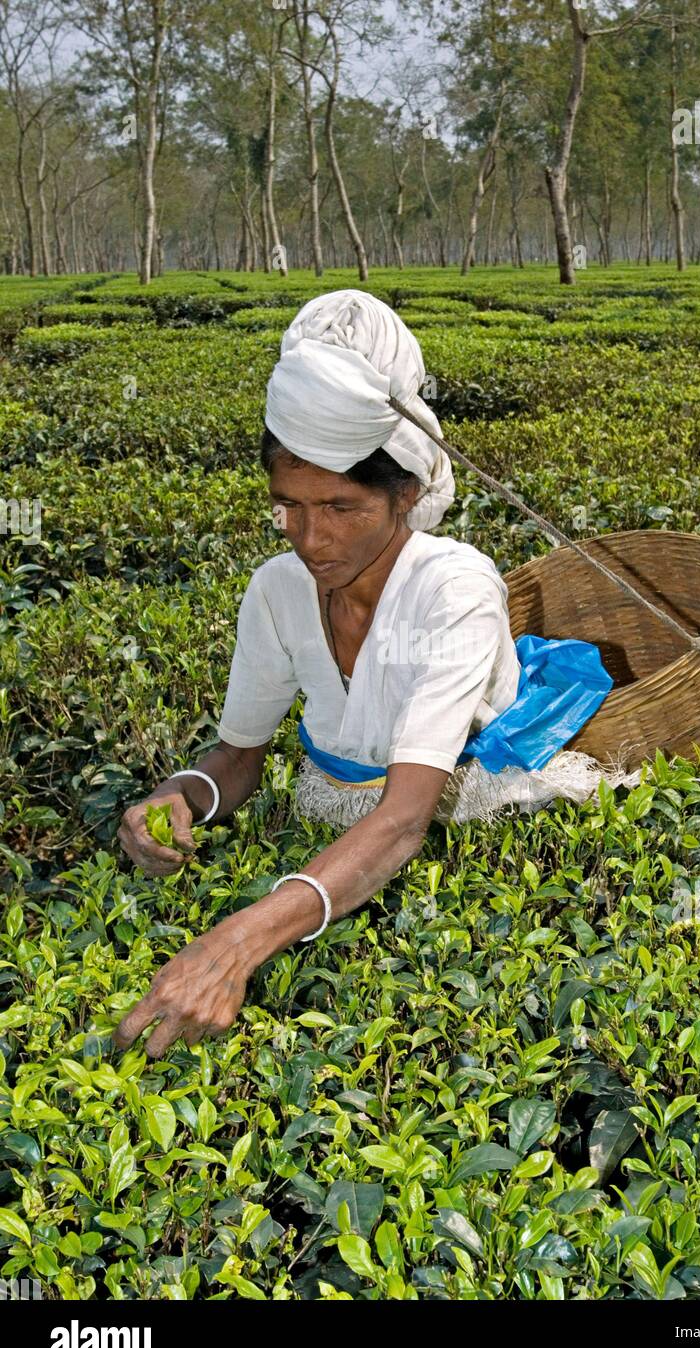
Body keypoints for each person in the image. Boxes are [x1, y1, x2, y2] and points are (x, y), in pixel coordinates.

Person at [113, 289, 640, 1060]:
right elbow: (237, 759)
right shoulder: (277, 590)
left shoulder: (454, 588)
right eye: (289, 506)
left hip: (464, 820)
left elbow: (401, 819)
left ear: (407, 498)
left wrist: (234, 944)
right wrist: (175, 798)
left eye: (340, 507)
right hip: (334, 826)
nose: (310, 539)